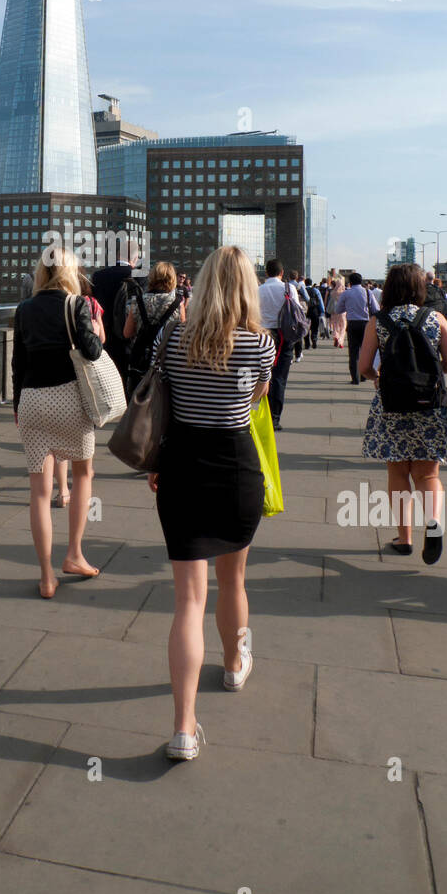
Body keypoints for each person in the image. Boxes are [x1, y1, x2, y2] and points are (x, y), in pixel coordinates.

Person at [148, 246, 276, 760]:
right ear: (246, 287)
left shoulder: (172, 336)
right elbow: (255, 401)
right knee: (234, 581)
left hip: (181, 467)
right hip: (236, 469)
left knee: (188, 601)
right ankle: (233, 665)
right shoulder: (259, 344)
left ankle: (183, 728)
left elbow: (164, 396)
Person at [12, 248, 104, 597]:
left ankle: (46, 575)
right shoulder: (75, 304)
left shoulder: (24, 310)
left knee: (39, 491)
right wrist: (94, 329)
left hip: (32, 399)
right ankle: (74, 555)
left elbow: (18, 362)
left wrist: (18, 407)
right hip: (69, 398)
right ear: (69, 271)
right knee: (82, 475)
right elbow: (93, 352)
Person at [358, 263, 447, 563]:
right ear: (420, 288)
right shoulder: (436, 318)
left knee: (398, 471)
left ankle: (405, 539)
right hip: (430, 405)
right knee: (428, 473)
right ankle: (435, 521)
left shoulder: (379, 321)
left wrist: (378, 377)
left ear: (389, 288)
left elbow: (363, 366)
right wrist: (430, 375)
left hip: (392, 404)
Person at [52, 274, 106, 509]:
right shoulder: (91, 305)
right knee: (83, 438)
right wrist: (93, 330)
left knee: (58, 442)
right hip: (83, 381)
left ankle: (63, 491)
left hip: (55, 379)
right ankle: (84, 475)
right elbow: (100, 341)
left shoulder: (54, 303)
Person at [121, 260, 185, 396]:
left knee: (138, 406)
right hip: (167, 363)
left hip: (141, 363)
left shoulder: (138, 301)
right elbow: (182, 336)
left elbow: (127, 333)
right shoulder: (178, 303)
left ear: (152, 277)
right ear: (173, 279)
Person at [90, 237, 143, 382]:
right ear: (135, 257)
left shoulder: (98, 276)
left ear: (118, 255)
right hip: (128, 337)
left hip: (103, 337)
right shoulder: (139, 277)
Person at [258, 257, 298, 431]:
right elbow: (296, 310)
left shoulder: (258, 290)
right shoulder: (289, 288)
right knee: (280, 377)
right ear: (282, 273)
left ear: (266, 272)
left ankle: (264, 413)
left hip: (263, 334)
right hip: (284, 334)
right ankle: (275, 417)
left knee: (263, 374)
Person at [334, 272, 379, 384]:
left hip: (352, 324)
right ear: (361, 281)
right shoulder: (368, 292)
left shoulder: (346, 293)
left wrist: (348, 307)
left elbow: (338, 309)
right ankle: (364, 375)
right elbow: (375, 309)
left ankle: (355, 378)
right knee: (365, 350)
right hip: (366, 324)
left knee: (353, 352)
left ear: (350, 282)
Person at [303, 278, 324, 351]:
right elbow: (320, 301)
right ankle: (314, 338)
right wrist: (322, 311)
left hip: (305, 311)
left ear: (305, 283)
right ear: (311, 283)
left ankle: (307, 344)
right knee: (315, 327)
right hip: (315, 311)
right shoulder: (316, 290)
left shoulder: (303, 291)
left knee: (306, 327)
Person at [328, 275, 347, 348]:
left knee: (335, 325)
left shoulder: (332, 292)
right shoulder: (344, 293)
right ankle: (340, 341)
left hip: (334, 311)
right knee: (343, 326)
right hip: (342, 312)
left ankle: (336, 336)